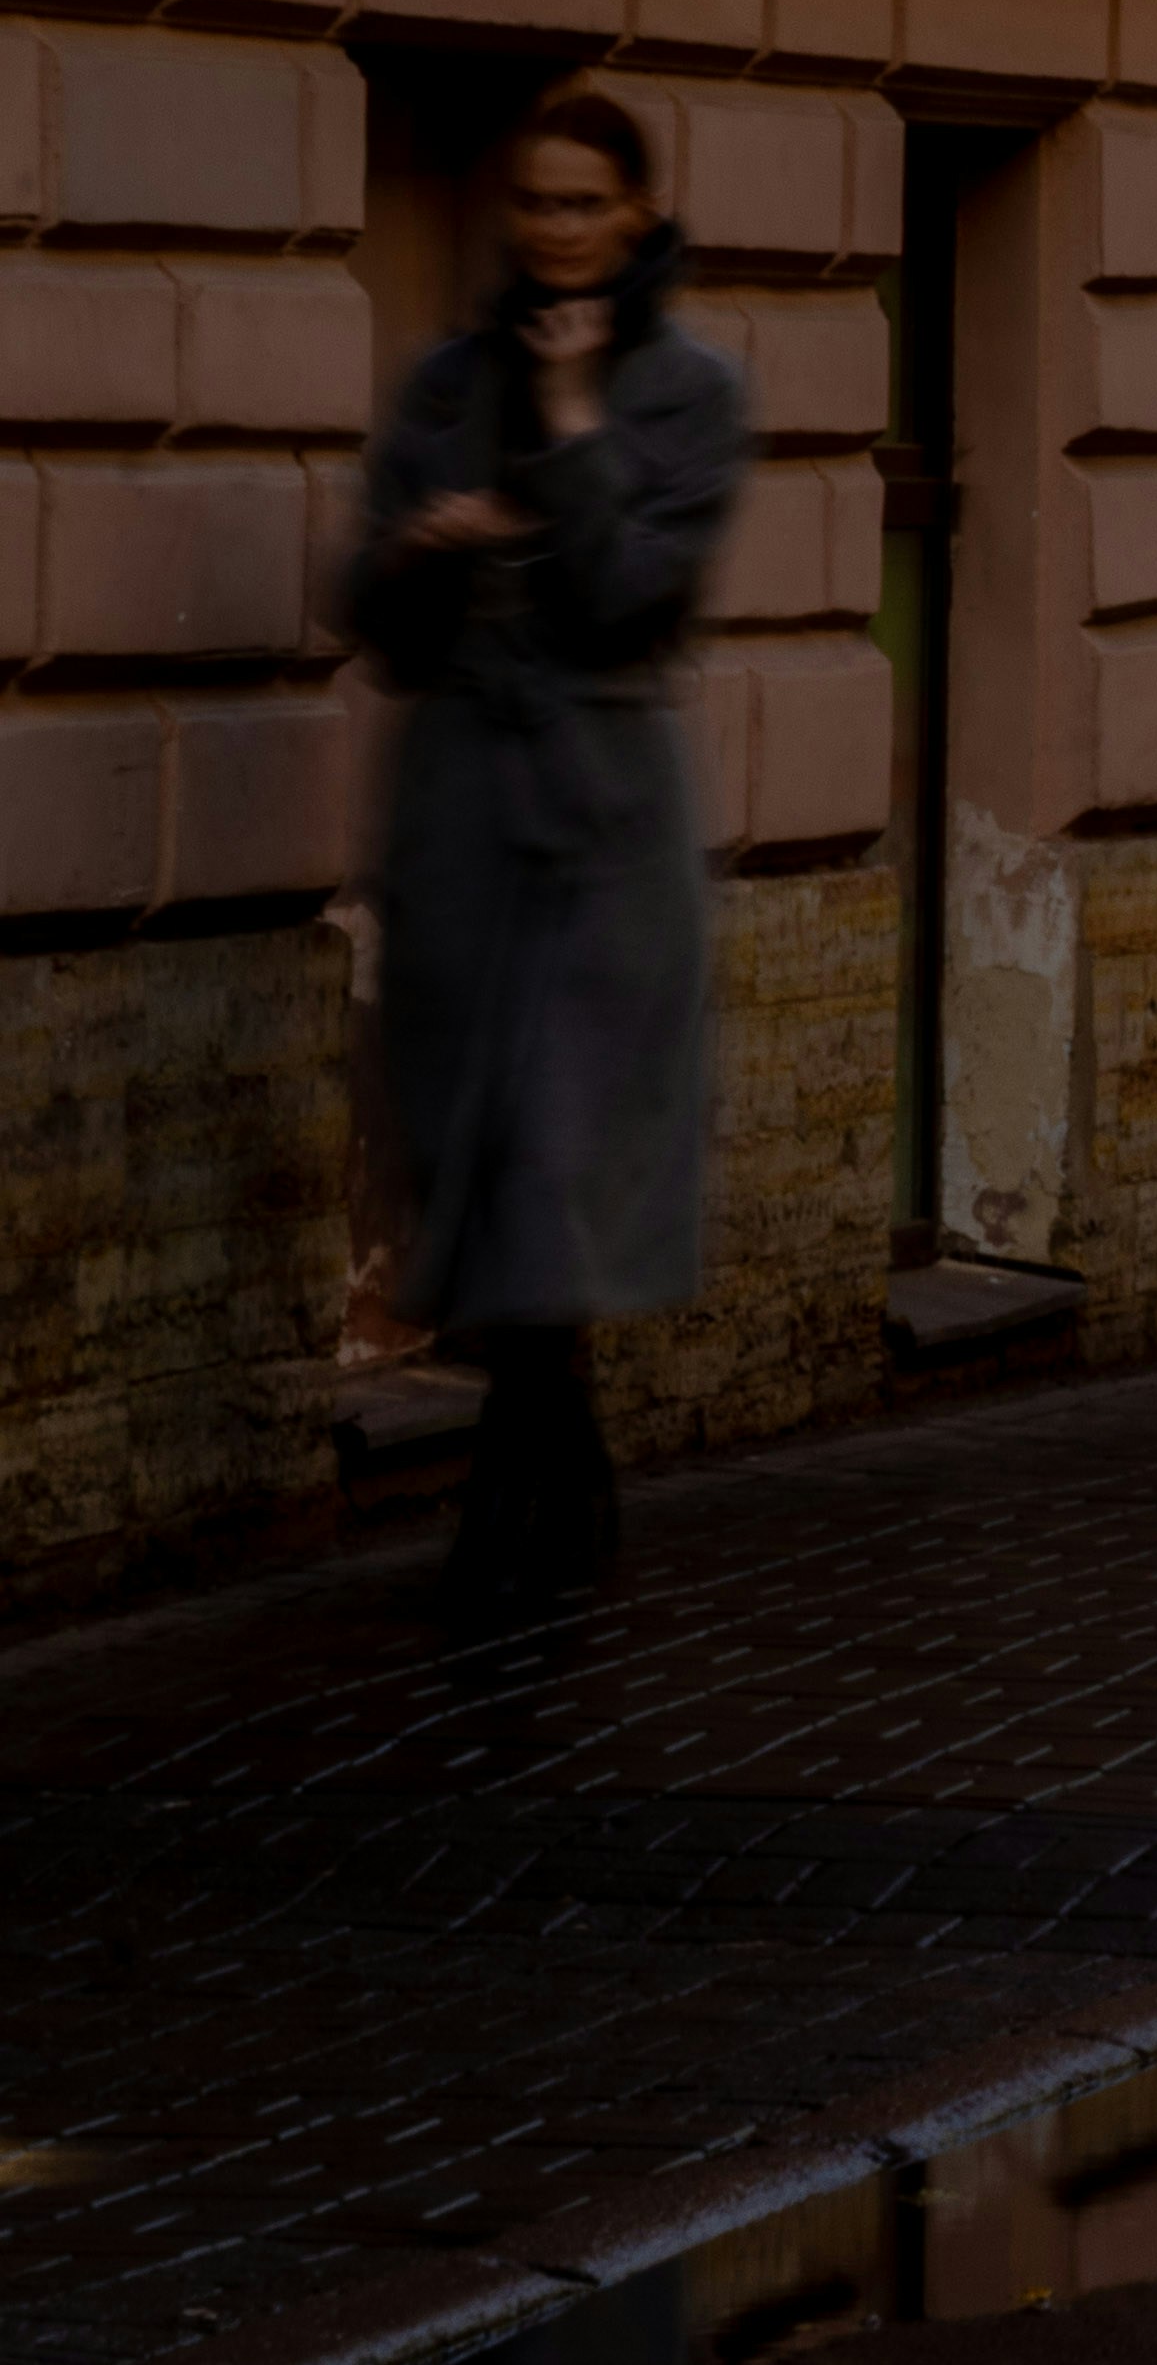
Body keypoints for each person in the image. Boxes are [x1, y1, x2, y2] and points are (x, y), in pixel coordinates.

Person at [350, 85, 755, 1622]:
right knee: (469, 1140)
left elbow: (632, 601)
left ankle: (503, 1511)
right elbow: (371, 619)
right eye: (533, 199)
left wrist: (581, 426)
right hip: (455, 801)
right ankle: (565, 1459)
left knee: (556, 1158)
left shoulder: (692, 389)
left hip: (603, 809)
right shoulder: (448, 380)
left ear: (637, 218)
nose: (552, 227)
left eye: (583, 202)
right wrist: (411, 549)